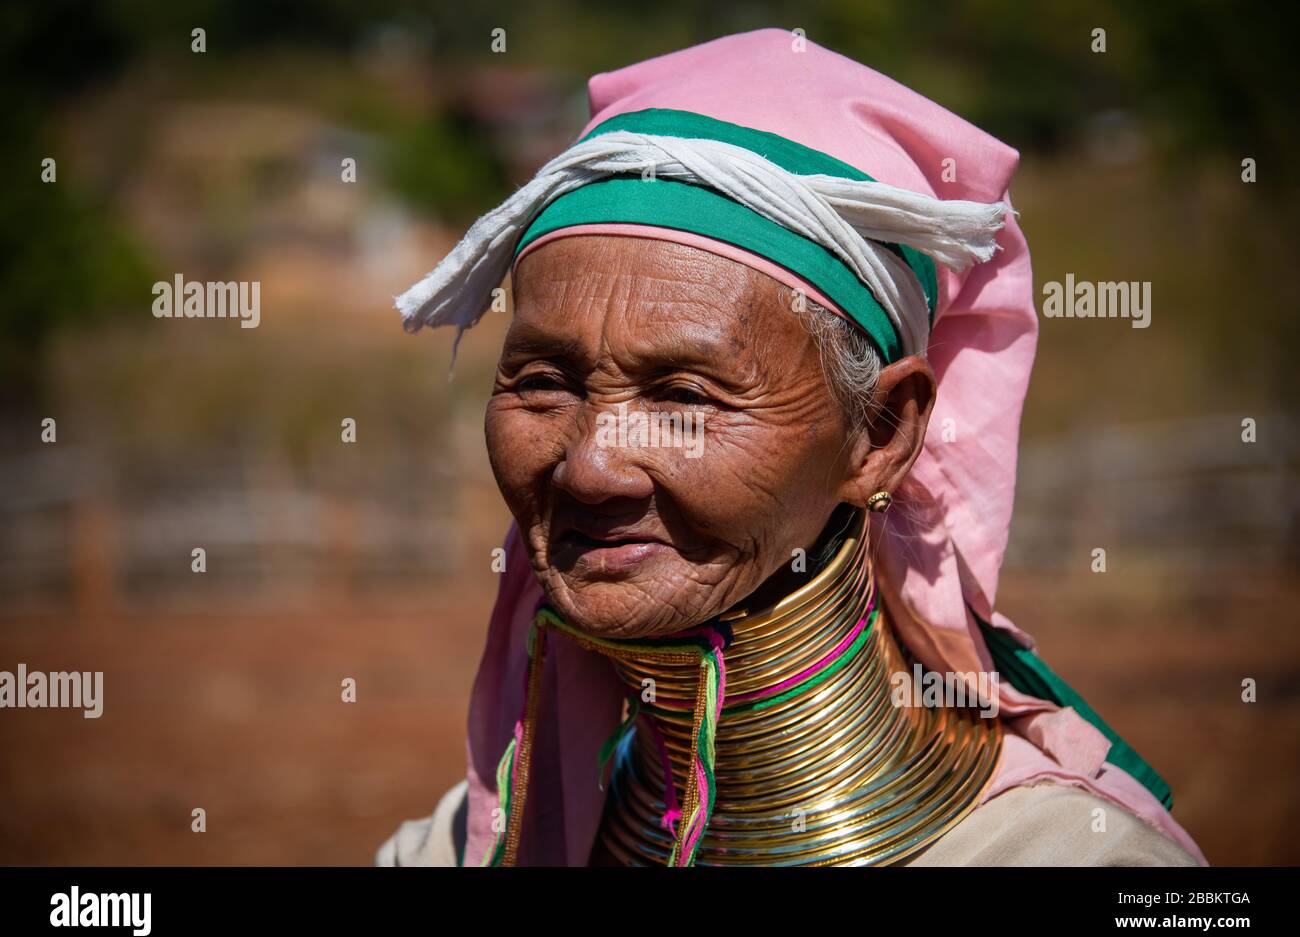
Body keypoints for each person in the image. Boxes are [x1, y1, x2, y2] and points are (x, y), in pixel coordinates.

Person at [377, 29, 1205, 867]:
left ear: (879, 436)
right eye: (544, 382)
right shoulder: (466, 847)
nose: (591, 467)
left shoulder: (1068, 859)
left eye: (684, 400)